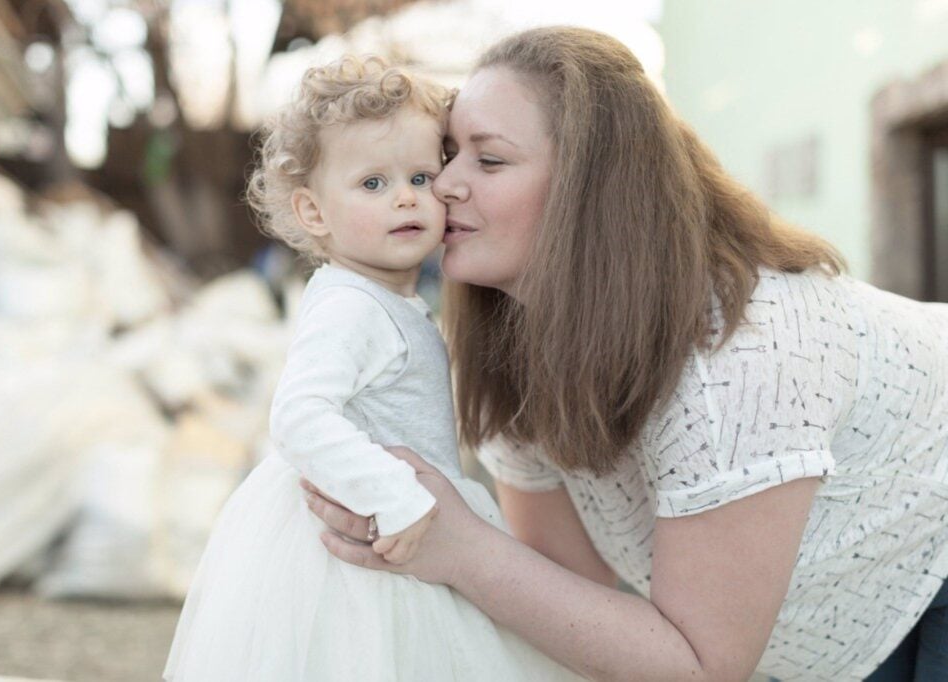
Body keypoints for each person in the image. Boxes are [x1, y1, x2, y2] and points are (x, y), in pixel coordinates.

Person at [301, 27, 948, 681]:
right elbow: (565, 590)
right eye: (448, 153)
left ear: (593, 187)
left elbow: (698, 665)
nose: (442, 185)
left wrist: (458, 545)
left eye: (488, 160)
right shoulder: (506, 338)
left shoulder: (739, 357)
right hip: (824, 616)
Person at [162, 55, 582, 681]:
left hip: (400, 523)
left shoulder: (385, 299)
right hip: (372, 537)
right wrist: (396, 499)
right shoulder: (352, 306)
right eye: (373, 185)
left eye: (420, 175)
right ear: (313, 213)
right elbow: (300, 416)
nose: (407, 198)